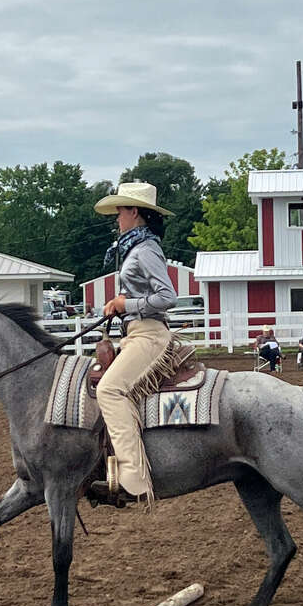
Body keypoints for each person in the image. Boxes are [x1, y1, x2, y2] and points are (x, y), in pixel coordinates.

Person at [87, 181, 177, 507]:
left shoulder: (145, 249)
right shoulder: (137, 249)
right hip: (137, 332)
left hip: (149, 335)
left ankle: (135, 481)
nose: (116, 219)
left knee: (110, 390)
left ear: (134, 212)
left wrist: (128, 305)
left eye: (119, 211)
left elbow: (168, 297)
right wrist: (123, 300)